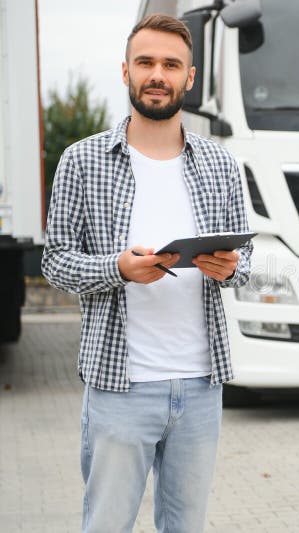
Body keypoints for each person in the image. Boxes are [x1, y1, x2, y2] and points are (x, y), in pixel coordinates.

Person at [41, 14, 252, 533]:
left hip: (201, 385)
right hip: (120, 388)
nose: (157, 74)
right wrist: (118, 269)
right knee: (107, 525)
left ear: (190, 77)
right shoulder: (82, 160)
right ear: (126, 71)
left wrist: (229, 269)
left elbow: (243, 269)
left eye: (170, 65)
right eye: (146, 63)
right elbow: (55, 262)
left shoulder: (221, 164)